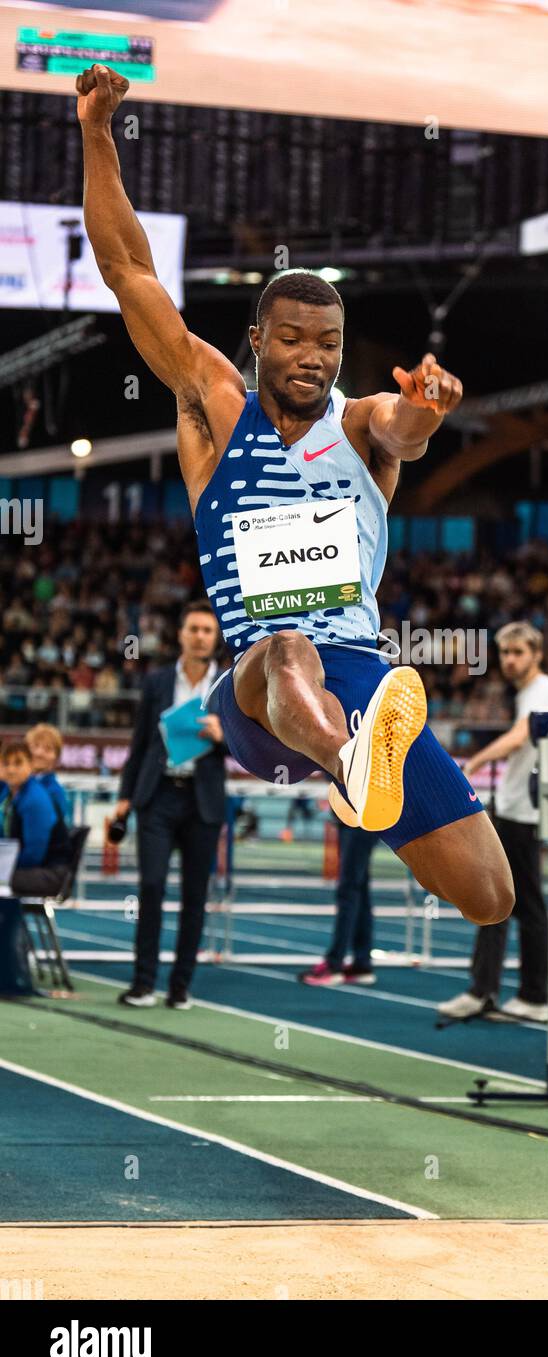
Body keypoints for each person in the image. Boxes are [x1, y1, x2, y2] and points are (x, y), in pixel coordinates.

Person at [77, 64, 514, 933]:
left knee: (489, 895)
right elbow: (128, 270)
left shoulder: (360, 427)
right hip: (256, 686)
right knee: (285, 650)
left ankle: (363, 764)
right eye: (292, 340)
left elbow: (405, 428)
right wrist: (95, 133)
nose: (312, 357)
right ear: (256, 340)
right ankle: (353, 766)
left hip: (357, 672)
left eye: (330, 344)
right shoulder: (213, 403)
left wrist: (426, 407)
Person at [438, 621, 548, 1022]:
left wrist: (474, 763)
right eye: (504, 653)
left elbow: (520, 737)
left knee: (519, 903)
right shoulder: (532, 693)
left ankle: (528, 996)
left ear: (537, 654)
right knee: (501, 900)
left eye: (518, 652)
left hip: (527, 815)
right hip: (515, 809)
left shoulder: (545, 692)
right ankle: (489, 990)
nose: (510, 660)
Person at [112, 601, 228, 1009]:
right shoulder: (157, 682)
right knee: (151, 887)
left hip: (204, 803)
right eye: (193, 629)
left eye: (207, 631)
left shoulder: (229, 687)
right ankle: (144, 983)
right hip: (157, 796)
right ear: (180, 634)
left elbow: (253, 747)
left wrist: (224, 735)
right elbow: (140, 744)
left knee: (194, 897)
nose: (200, 636)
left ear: (216, 638)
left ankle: (180, 987)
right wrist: (125, 800)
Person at [0, 741, 70, 996]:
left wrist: (4, 870)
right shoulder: (9, 796)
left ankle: (13, 975)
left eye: (18, 764)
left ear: (31, 766)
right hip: (19, 869)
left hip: (49, 873)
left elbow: (34, 854)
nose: (10, 770)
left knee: (2, 891)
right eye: (6, 764)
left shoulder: (35, 799)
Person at [301, 821, 379, 986]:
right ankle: (362, 964)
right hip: (358, 819)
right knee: (360, 890)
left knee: (348, 890)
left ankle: (334, 965)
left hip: (358, 819)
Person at [25, 723, 72, 825]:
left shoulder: (54, 792)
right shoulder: (11, 784)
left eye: (48, 749)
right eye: (35, 746)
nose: (39, 753)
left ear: (56, 757)